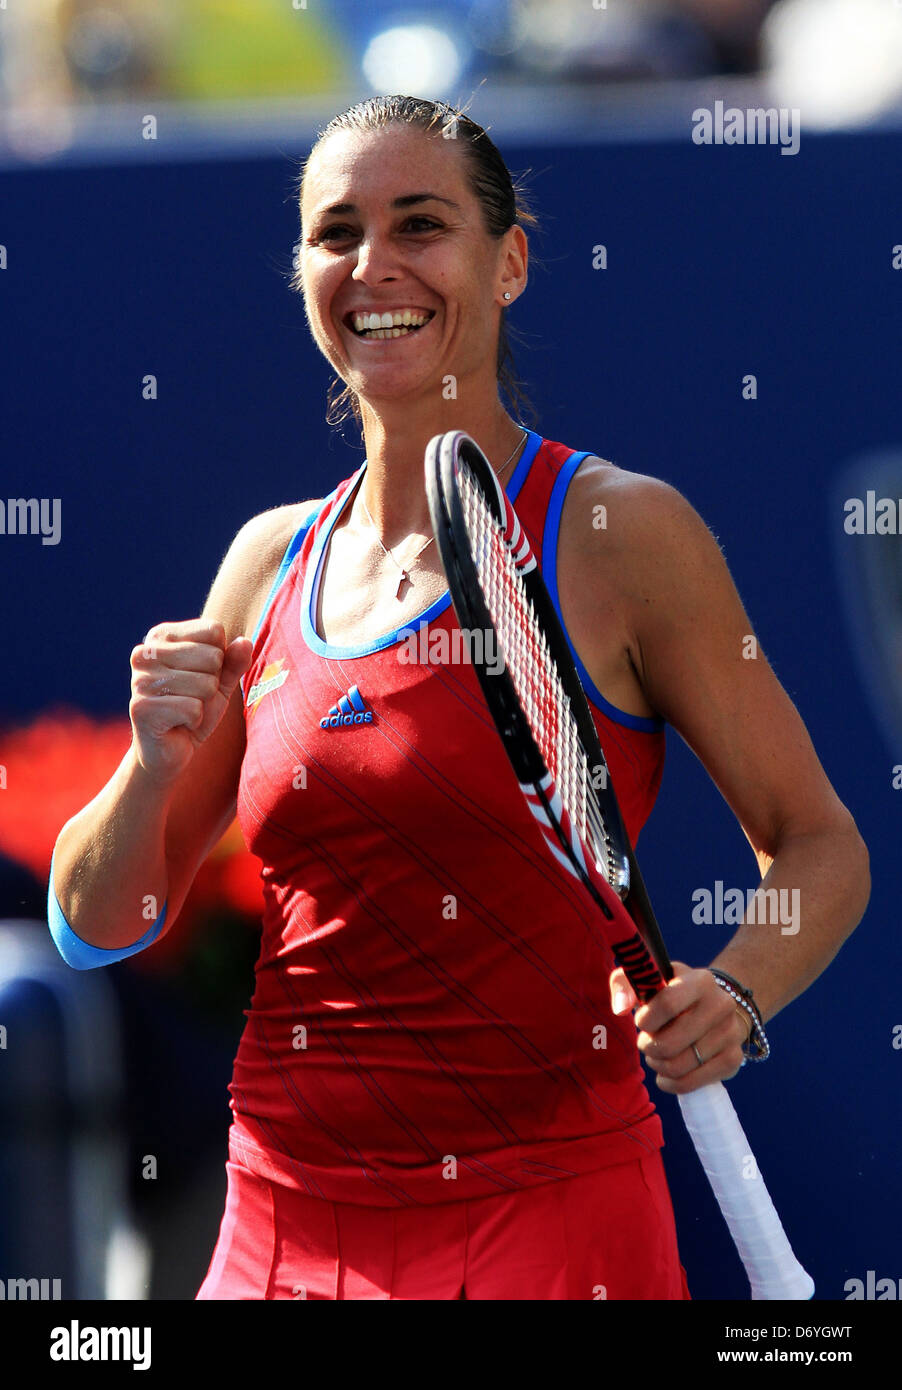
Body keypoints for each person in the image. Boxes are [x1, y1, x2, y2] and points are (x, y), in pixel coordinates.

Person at [48, 95, 869, 1300]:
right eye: (335, 234)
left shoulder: (618, 533)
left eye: (419, 223)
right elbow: (94, 921)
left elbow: (817, 843)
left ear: (509, 262)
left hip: (551, 1227)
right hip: (277, 1230)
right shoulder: (265, 563)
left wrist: (737, 989)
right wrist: (152, 767)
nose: (373, 265)